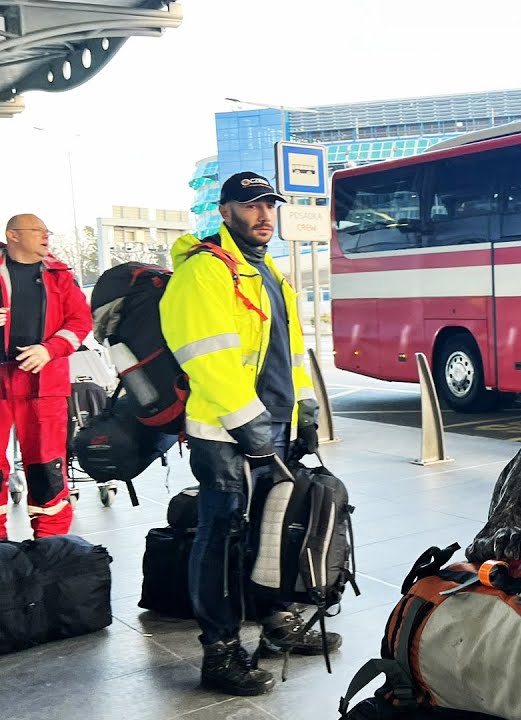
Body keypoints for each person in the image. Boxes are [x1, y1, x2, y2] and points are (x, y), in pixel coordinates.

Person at [160, 172, 334, 696]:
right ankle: (220, 651)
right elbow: (206, 359)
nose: (264, 215)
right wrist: (248, 425)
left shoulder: (267, 272)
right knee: (221, 535)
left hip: (273, 424)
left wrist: (303, 407)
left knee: (269, 530)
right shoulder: (204, 271)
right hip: (223, 431)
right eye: (251, 204)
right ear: (225, 210)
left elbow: (290, 350)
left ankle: (276, 622)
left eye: (269, 205)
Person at [0, 214, 91, 539]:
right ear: (13, 235)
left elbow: (81, 321)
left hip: (44, 383)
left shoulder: (60, 275)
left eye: (46, 230)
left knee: (46, 466)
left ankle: (51, 546)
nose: (45, 236)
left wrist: (49, 350)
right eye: (36, 230)